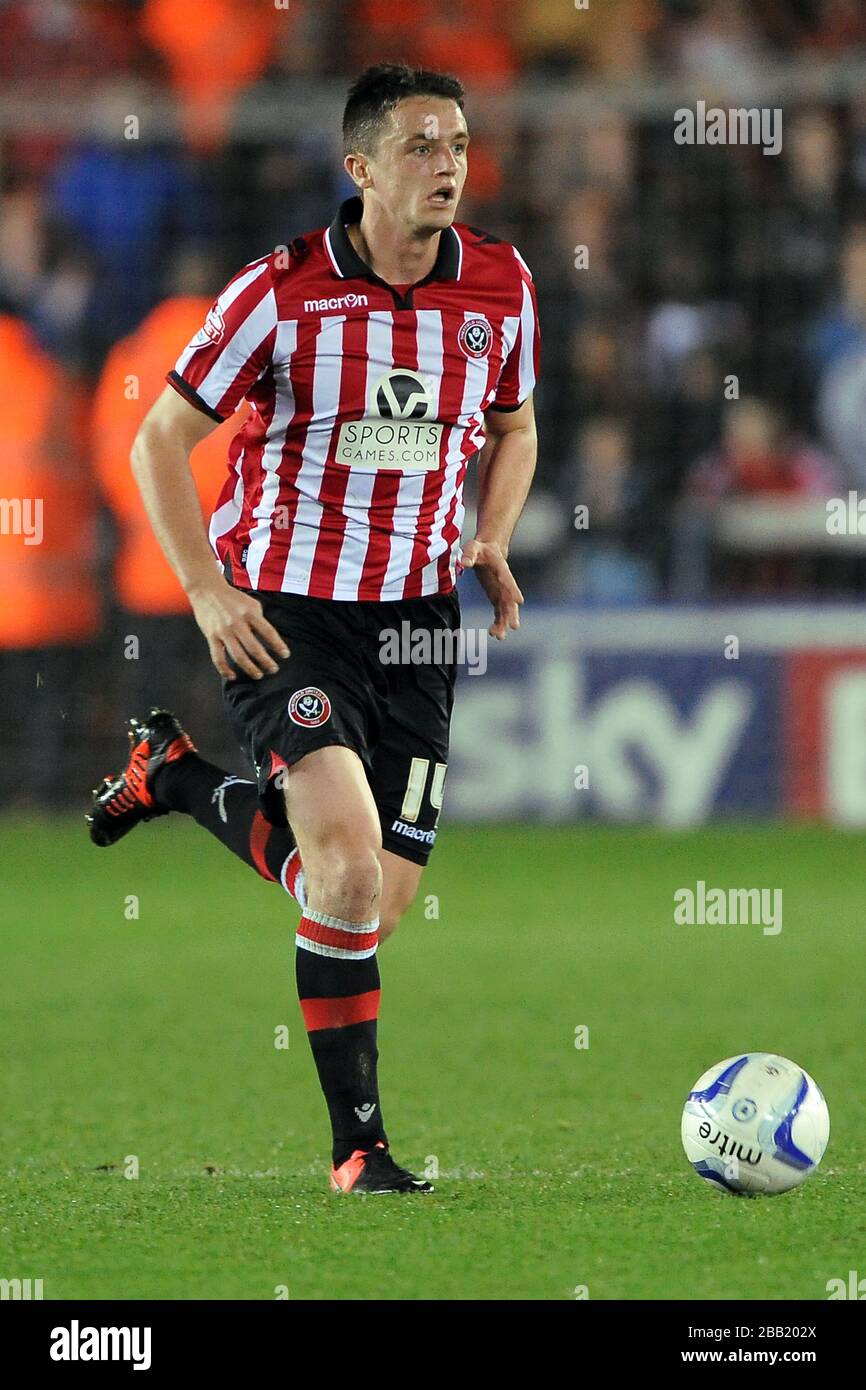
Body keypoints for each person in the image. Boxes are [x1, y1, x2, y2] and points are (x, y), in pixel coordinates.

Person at [86, 64, 540, 1194]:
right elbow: (156, 443)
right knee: (337, 868)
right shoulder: (277, 294)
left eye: (458, 143)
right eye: (423, 145)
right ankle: (358, 1151)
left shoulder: (499, 281)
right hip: (286, 611)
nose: (448, 164)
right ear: (361, 168)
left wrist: (493, 532)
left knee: (372, 901)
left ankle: (176, 777)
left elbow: (518, 425)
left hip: (420, 620)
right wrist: (205, 589)